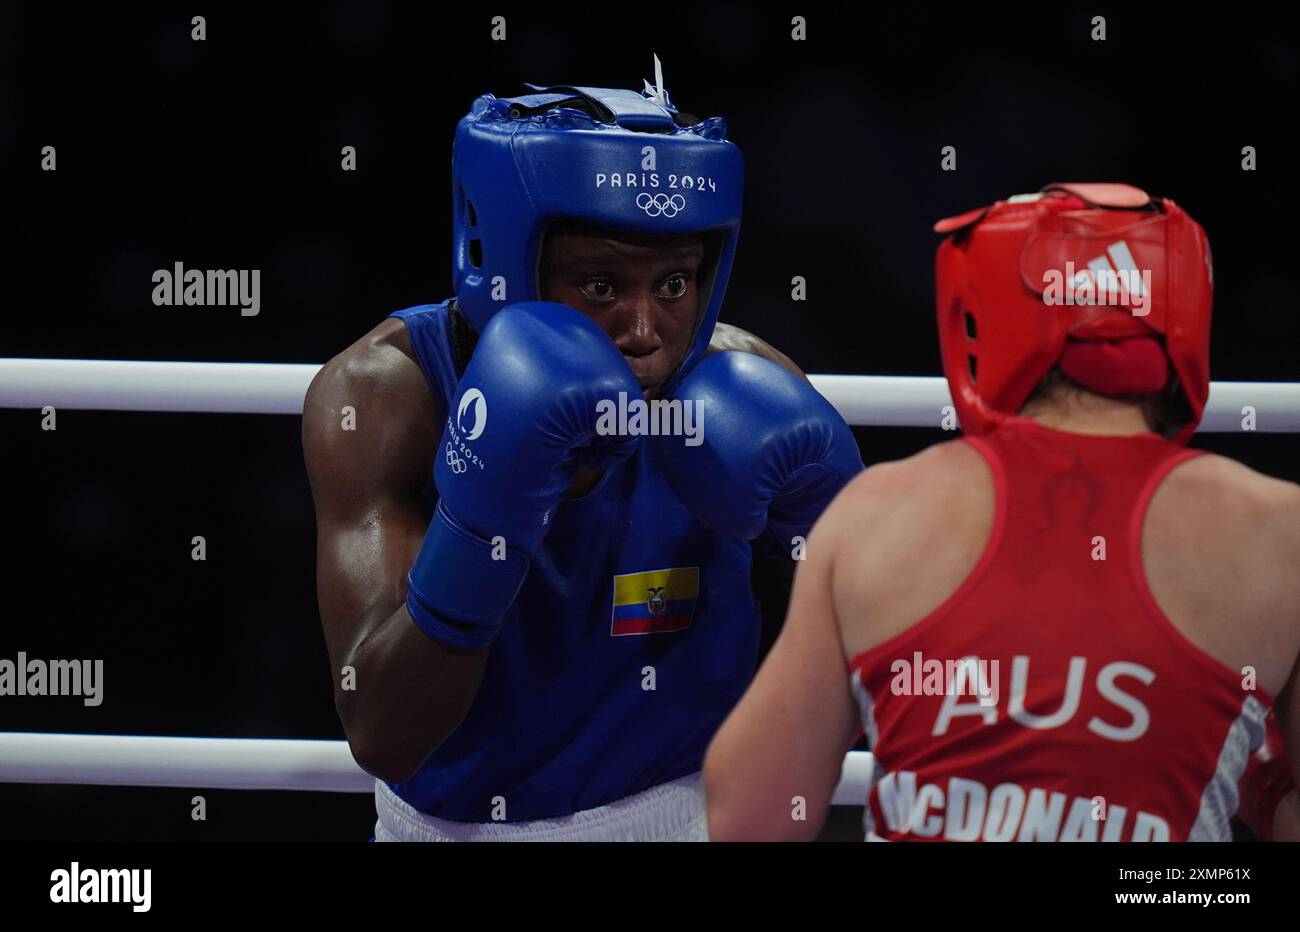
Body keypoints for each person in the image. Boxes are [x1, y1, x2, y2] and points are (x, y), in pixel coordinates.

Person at [302, 78, 863, 841]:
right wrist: (484, 521)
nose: (643, 330)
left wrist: (831, 542)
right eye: (600, 285)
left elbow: (891, 685)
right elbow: (382, 735)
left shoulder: (749, 392)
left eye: (674, 284)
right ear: (500, 258)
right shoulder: (390, 397)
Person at [703, 183, 1300, 842]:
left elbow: (750, 815)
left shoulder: (881, 513)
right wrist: (1266, 789)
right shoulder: (1279, 531)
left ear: (980, 311)